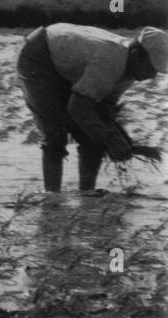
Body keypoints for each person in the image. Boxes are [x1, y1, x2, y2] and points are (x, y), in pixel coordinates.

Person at [16, 24, 167, 192]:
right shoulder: (110, 61)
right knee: (55, 131)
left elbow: (103, 109)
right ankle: (52, 197)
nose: (153, 75)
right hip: (39, 54)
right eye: (151, 67)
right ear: (136, 55)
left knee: (93, 136)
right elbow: (78, 107)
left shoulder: (129, 72)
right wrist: (110, 138)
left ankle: (86, 193)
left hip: (66, 60)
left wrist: (121, 140)